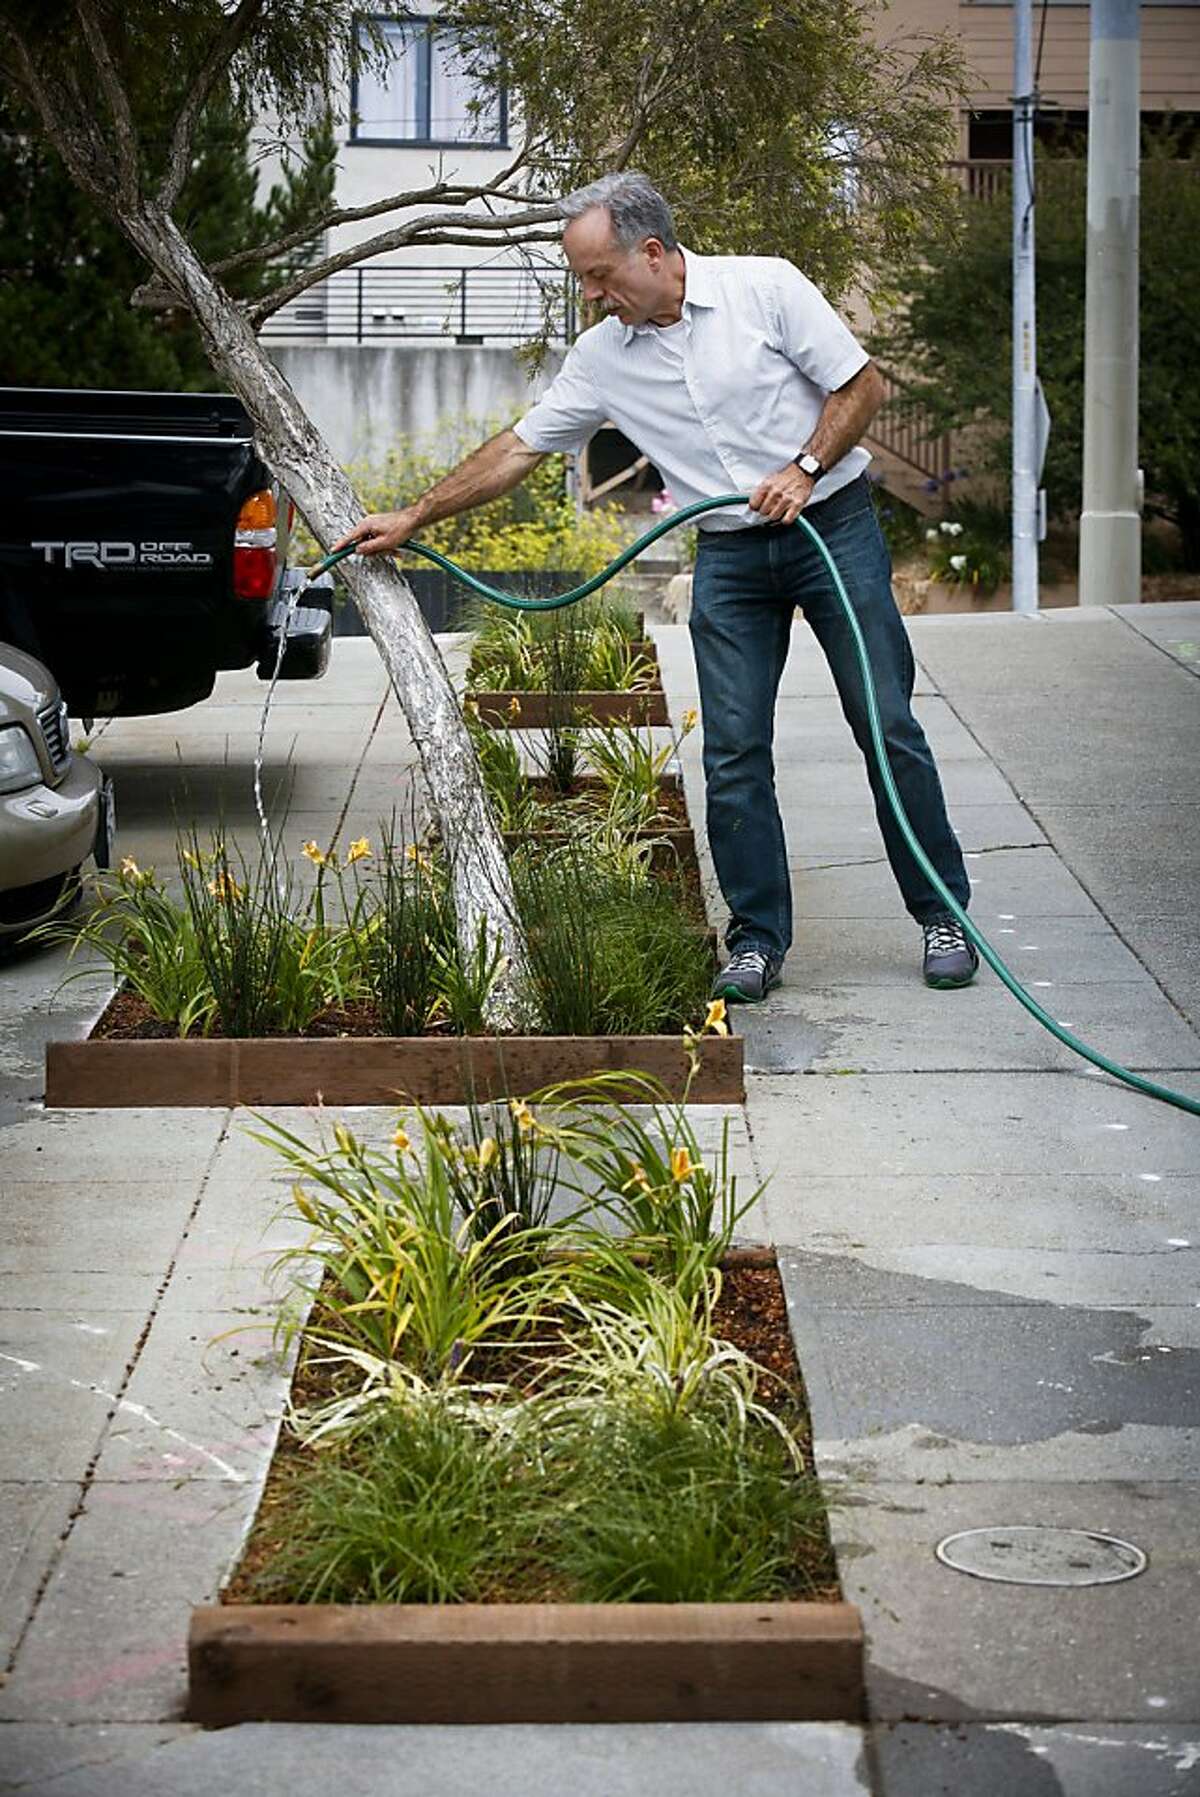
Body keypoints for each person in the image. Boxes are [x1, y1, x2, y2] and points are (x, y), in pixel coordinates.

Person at [335, 171, 977, 1004]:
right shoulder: (602, 358)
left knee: (885, 723)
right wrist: (415, 514)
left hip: (832, 528)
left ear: (651, 252)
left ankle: (942, 914)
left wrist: (805, 467)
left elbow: (863, 386)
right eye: (583, 280)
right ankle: (756, 938)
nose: (592, 296)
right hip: (731, 558)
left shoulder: (766, 289)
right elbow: (519, 448)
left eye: (600, 276)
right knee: (733, 749)